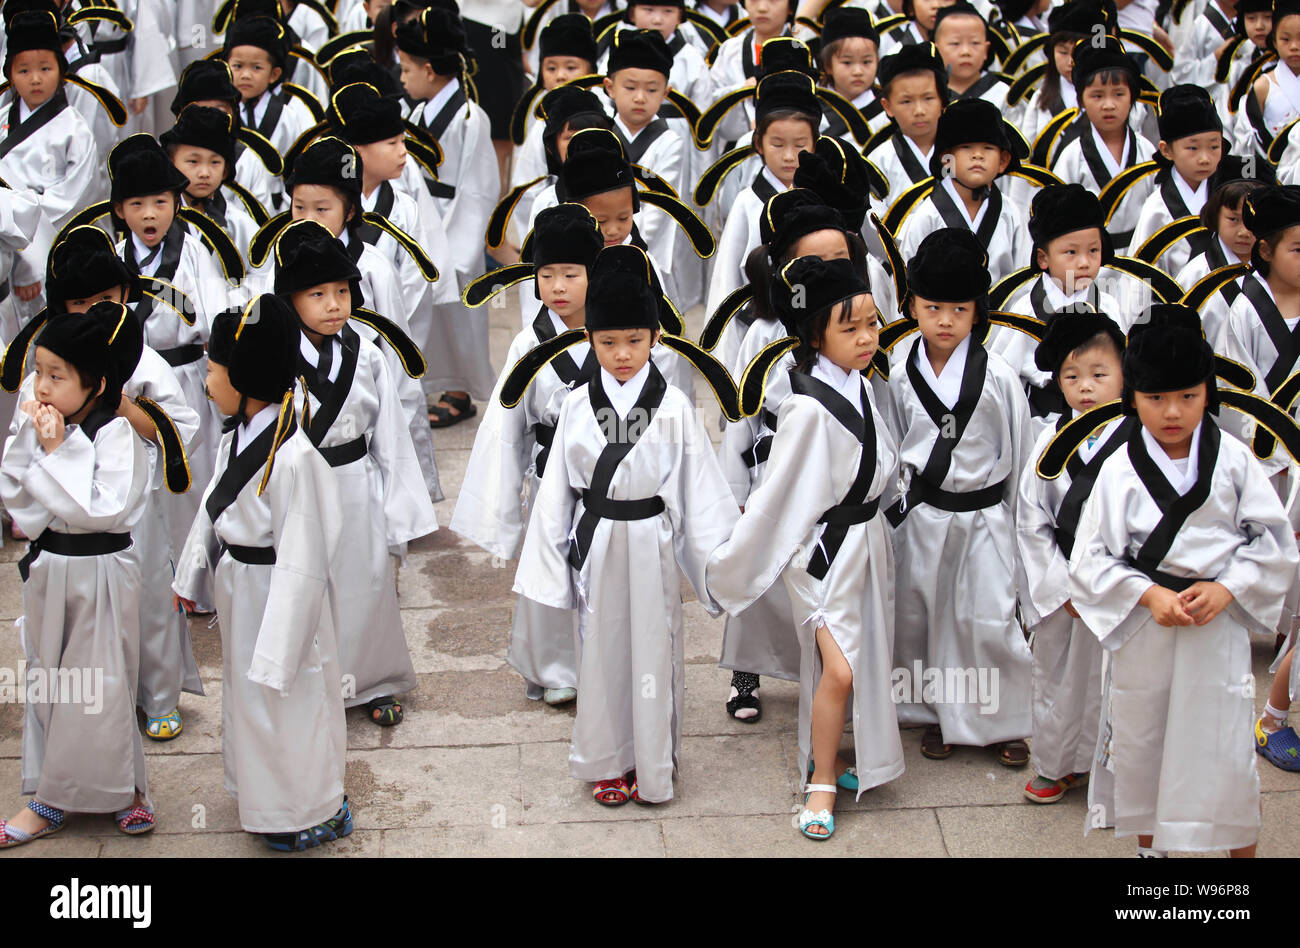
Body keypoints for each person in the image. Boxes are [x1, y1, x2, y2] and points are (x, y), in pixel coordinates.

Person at [512, 244, 740, 806]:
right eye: (608, 341)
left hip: (651, 540)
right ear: (588, 339)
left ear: (656, 338)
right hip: (598, 540)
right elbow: (557, 494)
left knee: (655, 652)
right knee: (601, 650)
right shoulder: (575, 405)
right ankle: (608, 760)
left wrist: (721, 566)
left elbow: (699, 495)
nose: (621, 355)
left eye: (635, 341)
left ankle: (652, 762)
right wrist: (550, 563)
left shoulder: (674, 407)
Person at [1068, 304, 1300, 857]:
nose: (1172, 412)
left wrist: (1229, 588)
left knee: (1223, 756)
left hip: (1213, 625)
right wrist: (1146, 592)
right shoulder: (1119, 467)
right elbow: (1090, 560)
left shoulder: (1235, 462)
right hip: (1147, 624)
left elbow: (1274, 541)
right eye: (1155, 399)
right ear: (1133, 398)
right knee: (1144, 748)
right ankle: (1154, 858)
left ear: (1207, 394)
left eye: (1188, 397)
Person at [707, 254, 904, 840]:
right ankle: (820, 779)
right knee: (838, 670)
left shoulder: (861, 388)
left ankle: (842, 759)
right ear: (815, 334)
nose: (868, 338)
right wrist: (733, 563)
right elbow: (777, 500)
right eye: (850, 328)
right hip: (820, 554)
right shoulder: (805, 406)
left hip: (862, 543)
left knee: (851, 664)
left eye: (872, 323)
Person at [172, 293, 352, 852]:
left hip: (278, 591)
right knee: (249, 699)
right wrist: (190, 575)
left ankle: (315, 805)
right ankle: (262, 793)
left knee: (290, 694)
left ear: (247, 378)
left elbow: (303, 561)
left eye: (215, 371)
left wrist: (284, 643)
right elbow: (212, 508)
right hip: (241, 585)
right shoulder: (239, 437)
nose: (207, 381)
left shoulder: (293, 457)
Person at [0, 303, 154, 847]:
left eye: (56, 375)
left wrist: (57, 449)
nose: (40, 385)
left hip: (103, 569)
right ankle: (49, 795)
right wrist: (33, 438)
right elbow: (18, 495)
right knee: (50, 678)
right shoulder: (41, 420)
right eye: (38, 371)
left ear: (97, 383)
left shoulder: (119, 435)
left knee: (105, 683)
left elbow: (102, 511)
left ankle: (128, 790)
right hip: (51, 564)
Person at [273, 218, 437, 726]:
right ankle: (310, 681)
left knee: (367, 583)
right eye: (316, 293)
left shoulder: (365, 353)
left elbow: (390, 436)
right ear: (290, 301)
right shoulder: (276, 357)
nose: (332, 304)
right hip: (300, 488)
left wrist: (400, 518)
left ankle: (375, 681)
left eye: (341, 291)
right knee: (307, 583)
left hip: (357, 481)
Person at [886, 227, 1035, 766]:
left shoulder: (999, 376)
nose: (944, 320)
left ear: (978, 311)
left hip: (985, 515)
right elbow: (894, 440)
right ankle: (934, 715)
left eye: (958, 308)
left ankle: (1002, 721)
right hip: (925, 514)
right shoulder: (900, 371)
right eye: (932, 307)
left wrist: (1023, 531)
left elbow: (1021, 454)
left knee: (986, 618)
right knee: (922, 616)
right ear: (912, 306)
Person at [452, 203, 604, 706]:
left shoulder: (616, 336)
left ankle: (606, 662)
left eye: (571, 274)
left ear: (594, 273)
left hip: (606, 479)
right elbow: (504, 427)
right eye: (546, 275)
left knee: (604, 572)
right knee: (551, 566)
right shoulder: (526, 342)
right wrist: (500, 510)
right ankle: (554, 665)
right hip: (547, 479)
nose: (558, 286)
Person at [1015, 311, 1128, 803]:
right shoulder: (1048, 441)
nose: (1086, 388)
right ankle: (1057, 763)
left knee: (1119, 681)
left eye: (1100, 375)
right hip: (1062, 585)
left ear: (1124, 374)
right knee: (1059, 677)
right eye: (1072, 376)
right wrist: (1060, 587)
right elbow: (1031, 521)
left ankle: (1119, 768)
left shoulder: (1138, 441)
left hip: (1120, 584)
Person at [397, 4, 499, 426]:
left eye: (406, 70)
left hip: (455, 225)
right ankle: (434, 381)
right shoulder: (418, 113)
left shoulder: (470, 118)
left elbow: (478, 188)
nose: (402, 78)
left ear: (429, 70)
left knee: (461, 318)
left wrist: (456, 250)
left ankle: (462, 391)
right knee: (429, 316)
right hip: (423, 220)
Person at [992, 183, 1126, 434]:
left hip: (1101, 419)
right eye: (1071, 252)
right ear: (1043, 258)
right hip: (1039, 423)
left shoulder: (1108, 306)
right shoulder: (1025, 310)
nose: (1085, 262)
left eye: (1093, 250)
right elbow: (1003, 378)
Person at [895, 97, 1029, 287]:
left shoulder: (1010, 213)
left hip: (1000, 314)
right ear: (946, 159)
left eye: (988, 148)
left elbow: (1023, 278)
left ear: (1003, 161)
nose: (978, 155)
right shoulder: (927, 215)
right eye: (966, 147)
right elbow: (908, 280)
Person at [1047, 35, 1156, 254]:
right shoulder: (1072, 155)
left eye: (1119, 94)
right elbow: (1058, 218)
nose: (1109, 105)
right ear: (1081, 100)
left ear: (1132, 97)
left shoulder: (1147, 151)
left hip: (1140, 258)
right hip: (1087, 262)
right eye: (1097, 96)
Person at [0, 11, 97, 232]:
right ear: (11, 76)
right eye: (23, 70)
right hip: (4, 229)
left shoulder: (75, 129)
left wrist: (25, 213)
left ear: (61, 71)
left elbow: (78, 193)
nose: (35, 79)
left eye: (45, 69)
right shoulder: (2, 119)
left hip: (53, 232)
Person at [1129, 85, 1225, 278]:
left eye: (1214, 146)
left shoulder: (1227, 197)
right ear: (1166, 150)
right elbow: (1141, 274)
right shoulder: (1157, 207)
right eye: (1193, 148)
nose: (1205, 158)